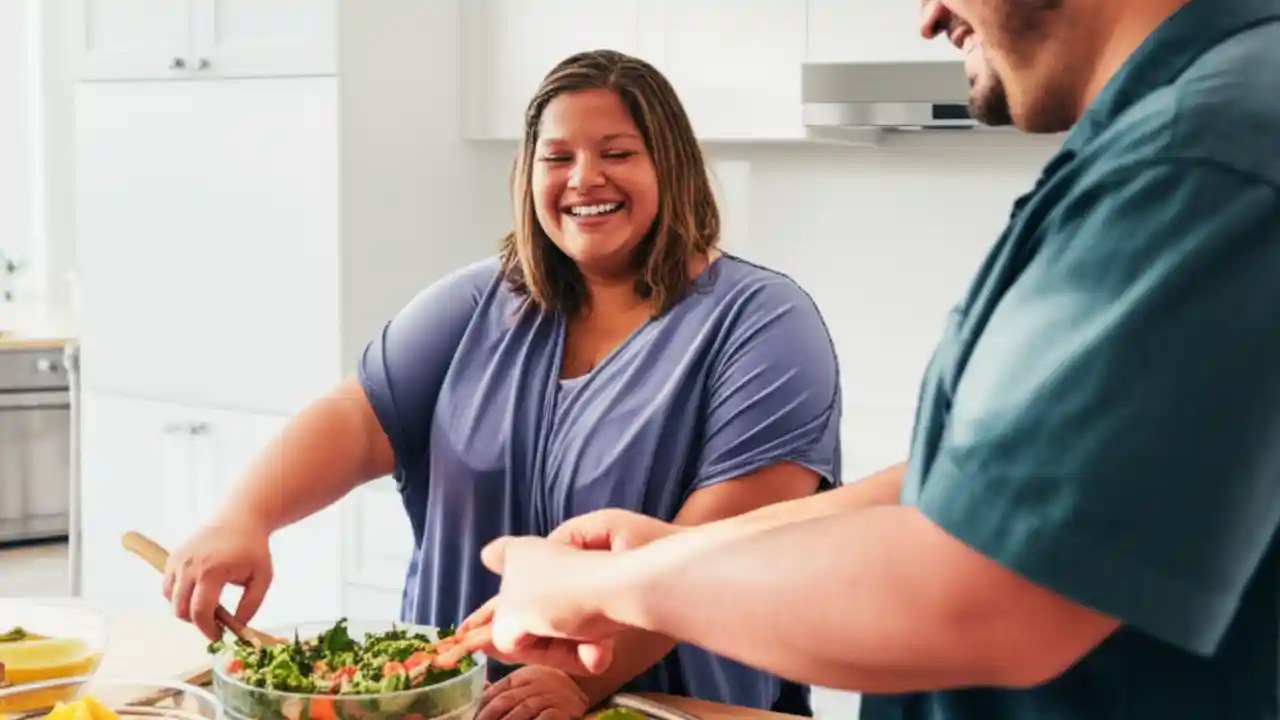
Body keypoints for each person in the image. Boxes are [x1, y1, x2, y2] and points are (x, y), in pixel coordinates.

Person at [444, 0, 1280, 718]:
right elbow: (956, 488)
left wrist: (607, 589)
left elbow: (975, 596)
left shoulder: (1199, 152)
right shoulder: (1175, 132)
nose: (927, 17)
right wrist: (664, 557)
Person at [160, 49, 843, 718]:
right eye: (558, 156)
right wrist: (245, 517)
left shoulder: (762, 325)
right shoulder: (479, 302)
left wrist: (578, 683)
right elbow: (355, 420)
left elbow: (713, 553)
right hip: (450, 704)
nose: (585, 179)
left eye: (617, 153)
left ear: (672, 166)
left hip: (669, 706)